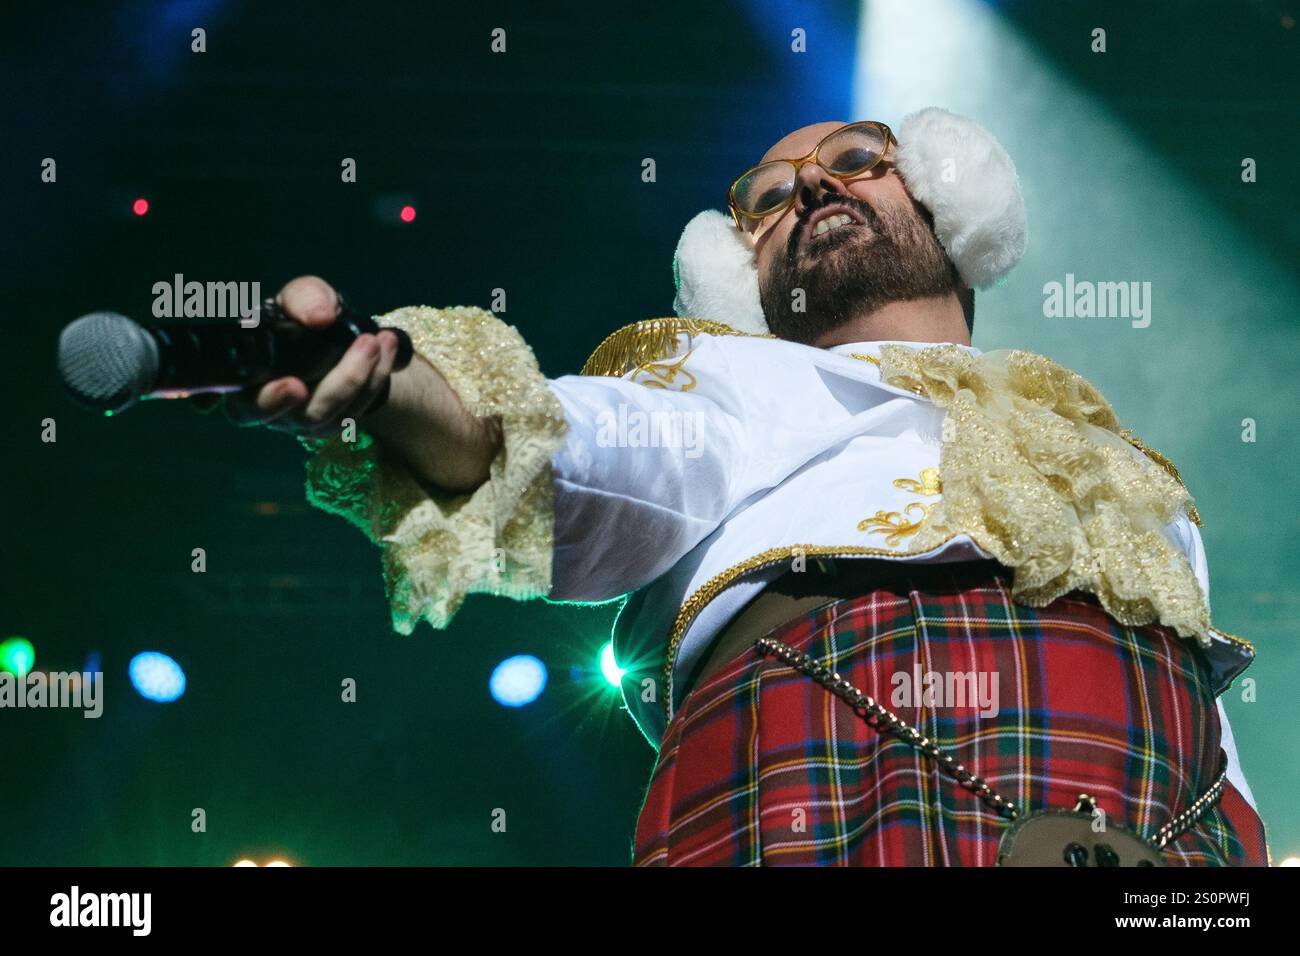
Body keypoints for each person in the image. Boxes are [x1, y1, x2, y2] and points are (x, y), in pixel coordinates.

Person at [221, 109, 1269, 866]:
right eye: (767, 198)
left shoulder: (1116, 461)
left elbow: (1217, 758)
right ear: (744, 272)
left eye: (858, 159)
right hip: (830, 791)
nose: (814, 186)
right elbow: (576, 447)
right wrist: (394, 379)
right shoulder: (725, 382)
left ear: (949, 200)